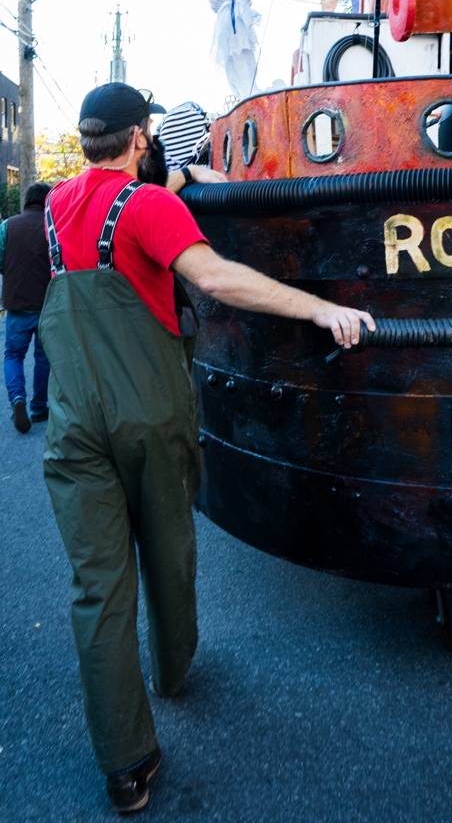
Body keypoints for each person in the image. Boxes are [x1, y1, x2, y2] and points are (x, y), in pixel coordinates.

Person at [40, 82, 374, 816]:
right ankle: (173, 668)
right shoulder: (153, 203)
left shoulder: (55, 207)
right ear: (138, 138)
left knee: (98, 589)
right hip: (150, 412)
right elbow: (216, 279)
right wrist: (321, 307)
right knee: (168, 548)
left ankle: (126, 766)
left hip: (73, 422)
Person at [1, 181, 53, 434]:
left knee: (13, 355)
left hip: (17, 304)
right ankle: (39, 407)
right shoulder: (54, 227)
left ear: (27, 201)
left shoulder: (7, 226)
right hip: (47, 304)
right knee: (44, 358)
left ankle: (17, 398)